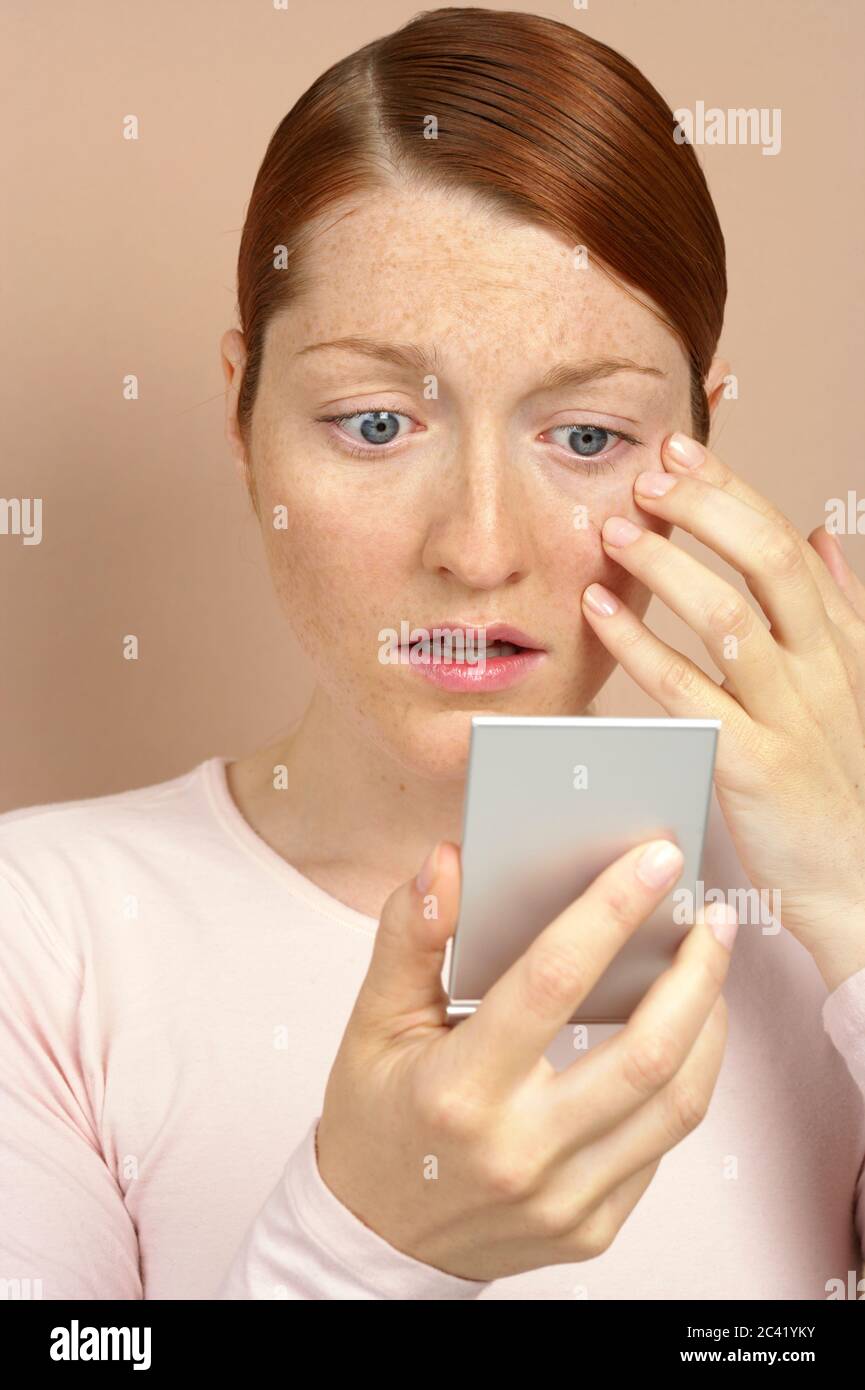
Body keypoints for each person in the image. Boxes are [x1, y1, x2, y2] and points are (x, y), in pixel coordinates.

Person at [1, 8, 863, 1301]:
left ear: (701, 437)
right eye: (373, 421)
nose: (475, 547)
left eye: (584, 438)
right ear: (244, 418)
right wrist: (359, 1241)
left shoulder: (818, 911)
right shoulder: (47, 934)